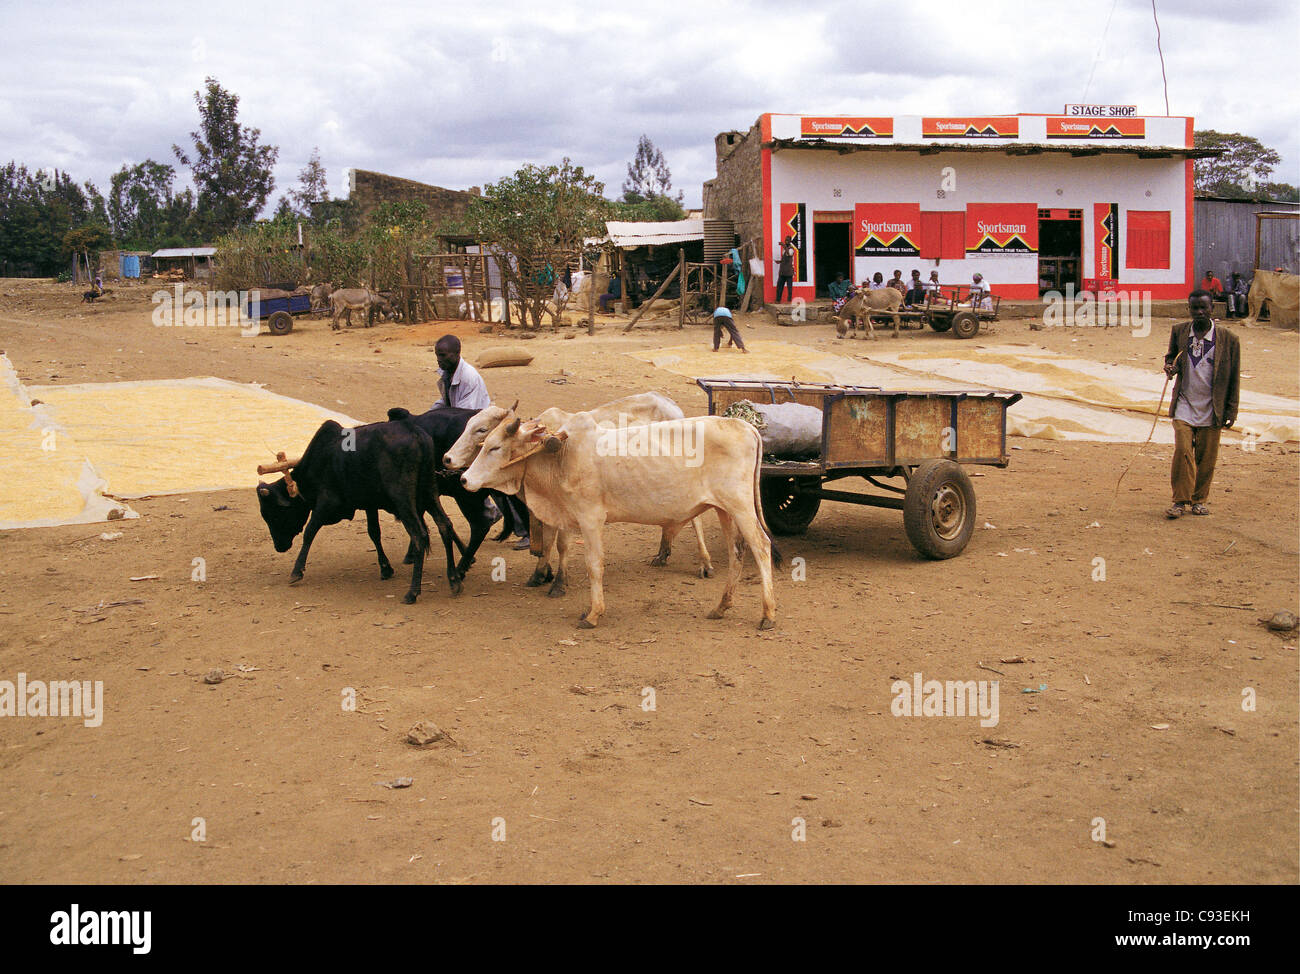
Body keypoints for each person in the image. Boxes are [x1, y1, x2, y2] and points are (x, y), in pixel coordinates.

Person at [431, 335, 529, 549]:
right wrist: (428, 417)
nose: (439, 359)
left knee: (499, 484)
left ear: (456, 354)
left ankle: (525, 530)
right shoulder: (446, 373)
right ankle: (490, 513)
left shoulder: (469, 378)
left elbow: (465, 414)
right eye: (437, 355)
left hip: (483, 434)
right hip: (469, 432)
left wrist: (442, 423)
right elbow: (445, 402)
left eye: (443, 355)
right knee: (485, 482)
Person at [1162, 290, 1240, 519]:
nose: (1198, 312)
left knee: (1206, 457)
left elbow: (1234, 377)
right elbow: (1171, 357)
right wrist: (1170, 368)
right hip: (1185, 403)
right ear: (1189, 309)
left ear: (1212, 309)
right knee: (1183, 451)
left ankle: (1199, 500)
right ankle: (1179, 501)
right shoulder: (1180, 332)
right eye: (1194, 308)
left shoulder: (1229, 340)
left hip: (1213, 407)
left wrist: (1231, 410)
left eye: (1203, 308)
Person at [775, 237, 795, 302]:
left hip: (789, 272)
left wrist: (783, 245)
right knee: (779, 286)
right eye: (785, 240)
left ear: (790, 241)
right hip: (782, 271)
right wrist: (780, 261)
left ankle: (789, 300)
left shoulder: (791, 249)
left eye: (787, 240)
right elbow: (785, 259)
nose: (786, 241)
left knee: (789, 288)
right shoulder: (784, 249)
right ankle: (778, 300)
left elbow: (789, 254)